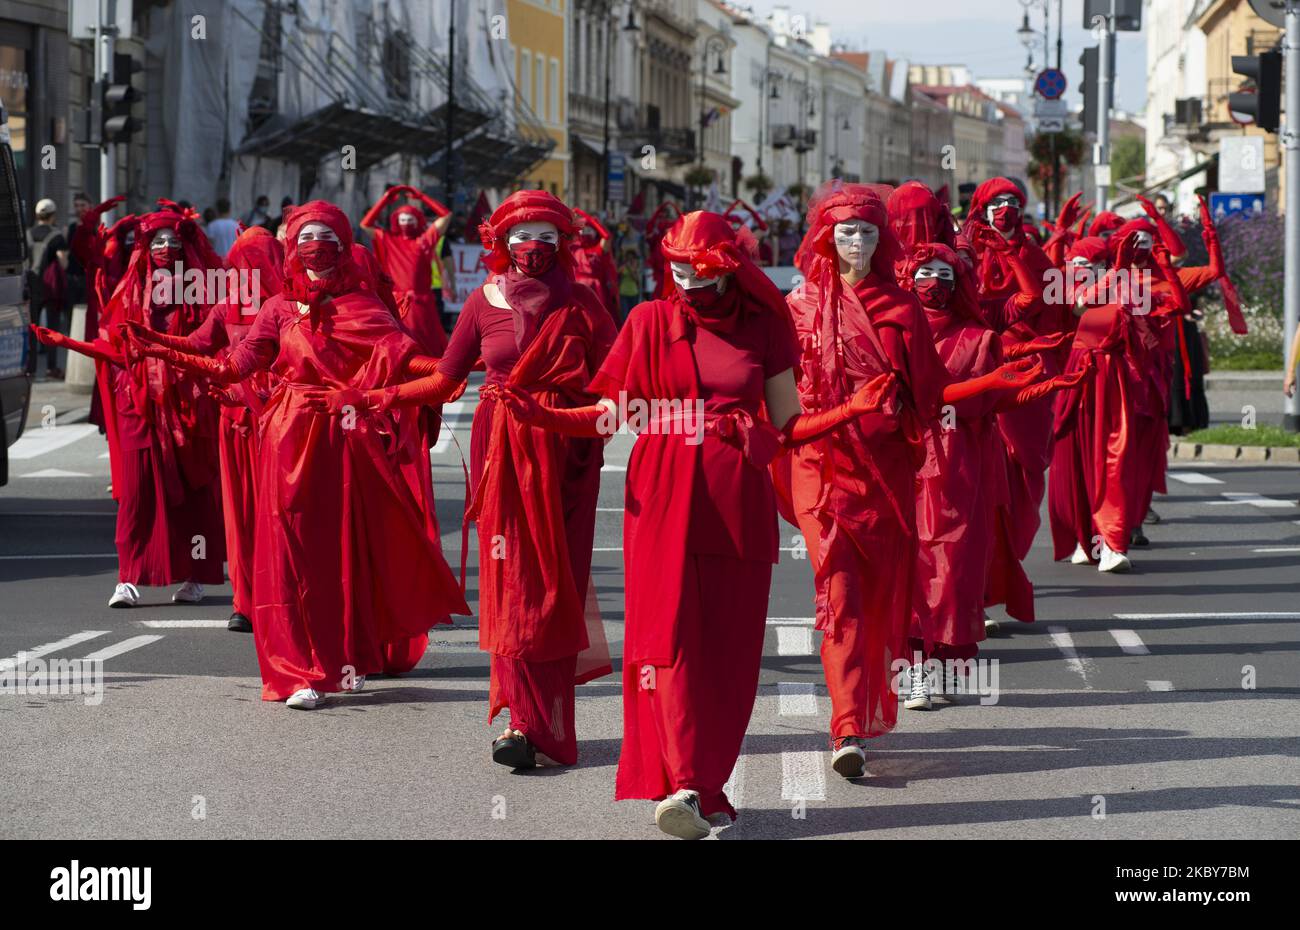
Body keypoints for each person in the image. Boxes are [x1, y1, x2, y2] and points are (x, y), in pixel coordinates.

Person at [503, 208, 896, 837]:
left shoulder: (765, 328)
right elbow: (610, 414)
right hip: (660, 496)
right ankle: (683, 780)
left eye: (700, 270)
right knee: (668, 641)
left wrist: (849, 409)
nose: (687, 280)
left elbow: (786, 426)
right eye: (677, 268)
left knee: (730, 650)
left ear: (728, 269)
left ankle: (707, 786)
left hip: (737, 495)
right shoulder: (648, 321)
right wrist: (540, 417)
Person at [311, 190, 615, 761]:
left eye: (549, 237)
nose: (535, 248)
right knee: (511, 585)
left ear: (564, 244)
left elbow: (616, 392)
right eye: (524, 236)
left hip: (567, 463)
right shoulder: (481, 302)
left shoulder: (586, 306)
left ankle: (547, 722)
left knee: (554, 592)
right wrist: (378, 397)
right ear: (500, 243)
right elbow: (447, 379)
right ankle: (520, 724)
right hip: (500, 452)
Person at [130, 201, 470, 708]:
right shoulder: (277, 309)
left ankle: (346, 656)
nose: (314, 245)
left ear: (342, 243)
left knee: (342, 556)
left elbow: (410, 363)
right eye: (303, 236)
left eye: (324, 235)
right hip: (287, 442)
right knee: (290, 557)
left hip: (346, 446)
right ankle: (299, 673)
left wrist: (454, 365)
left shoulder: (366, 306)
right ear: (292, 248)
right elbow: (230, 367)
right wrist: (161, 349)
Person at [783, 183, 1044, 770]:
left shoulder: (902, 309)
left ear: (883, 239)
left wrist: (996, 388)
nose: (855, 241)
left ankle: (879, 693)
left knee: (878, 596)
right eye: (845, 231)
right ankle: (847, 726)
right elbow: (778, 398)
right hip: (820, 470)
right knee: (840, 594)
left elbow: (929, 397)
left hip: (886, 474)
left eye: (868, 232)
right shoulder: (799, 306)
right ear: (826, 237)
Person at [905, 240, 1087, 708]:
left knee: (957, 571)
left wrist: (1047, 384)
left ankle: (943, 662)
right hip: (906, 462)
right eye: (925, 274)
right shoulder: (896, 332)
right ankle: (915, 666)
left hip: (962, 467)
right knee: (912, 568)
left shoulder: (980, 338)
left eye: (946, 277)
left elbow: (994, 402)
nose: (935, 285)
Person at [31, 202, 228, 606]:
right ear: (145, 245)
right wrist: (66, 342)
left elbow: (212, 344)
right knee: (136, 494)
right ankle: (128, 577)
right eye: (158, 240)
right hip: (138, 405)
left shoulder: (202, 293)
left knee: (195, 492)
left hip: (188, 408)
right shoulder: (129, 293)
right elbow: (118, 349)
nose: (166, 247)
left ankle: (197, 574)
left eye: (173, 240)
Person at [123, 226, 285, 632]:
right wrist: (155, 340)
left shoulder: (290, 307)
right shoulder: (230, 304)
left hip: (282, 424)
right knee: (240, 517)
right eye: (237, 264)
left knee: (280, 514)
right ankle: (245, 602)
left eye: (249, 263)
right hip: (235, 424)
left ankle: (282, 595)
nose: (240, 271)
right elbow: (197, 343)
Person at [360, 184, 452, 355]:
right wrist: (385, 199)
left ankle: (431, 376)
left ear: (418, 221)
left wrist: (422, 197)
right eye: (403, 219)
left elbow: (446, 215)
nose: (406, 223)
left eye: (410, 219)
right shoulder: (387, 239)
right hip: (395, 302)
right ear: (396, 221)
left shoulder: (425, 239)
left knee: (427, 344)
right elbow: (365, 224)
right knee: (396, 344)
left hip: (421, 303)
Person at [26, 198, 71, 379]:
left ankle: (30, 368)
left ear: (37, 215)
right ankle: (51, 368)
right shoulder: (57, 236)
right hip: (50, 288)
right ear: (53, 215)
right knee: (51, 329)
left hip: (30, 285)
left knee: (32, 328)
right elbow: (63, 263)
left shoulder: (27, 234)